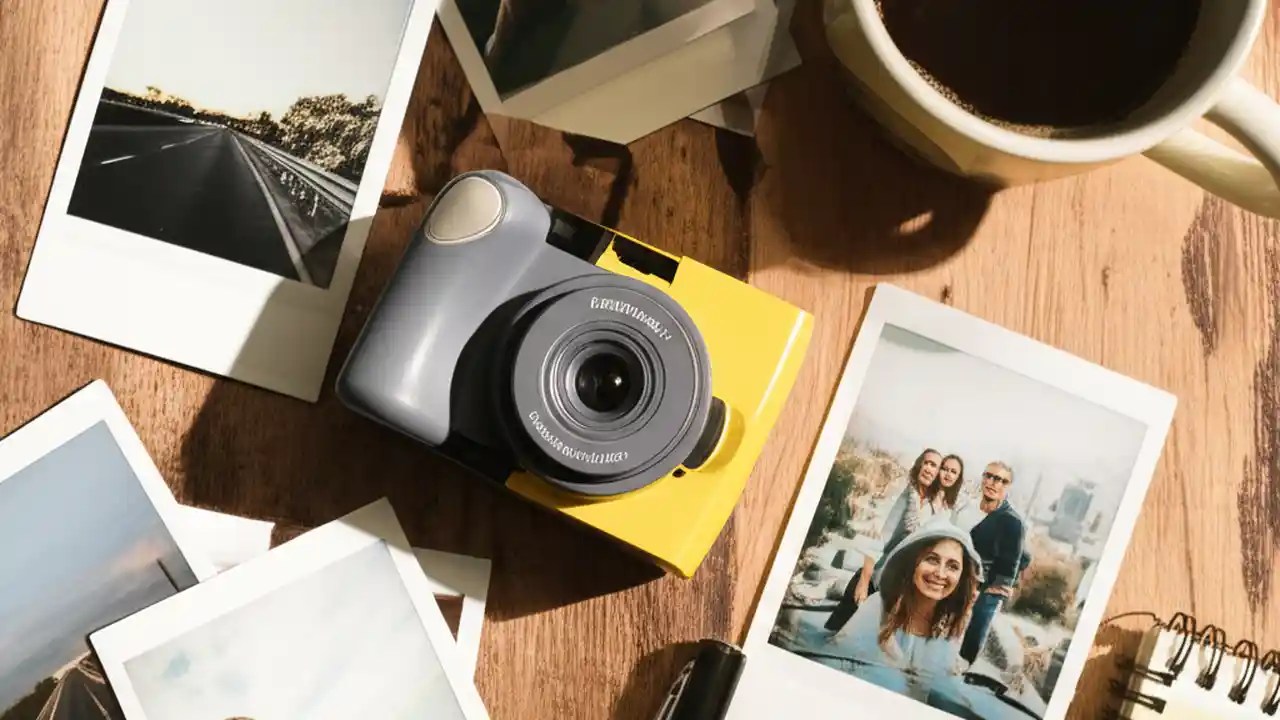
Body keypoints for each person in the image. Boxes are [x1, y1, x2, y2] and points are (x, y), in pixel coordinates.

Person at [823, 524, 983, 705]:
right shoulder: (878, 606)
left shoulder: (956, 620)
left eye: (952, 566)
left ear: (962, 576)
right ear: (913, 563)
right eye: (932, 559)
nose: (940, 573)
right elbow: (835, 673)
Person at [825, 448, 942, 631]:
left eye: (934, 465)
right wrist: (864, 583)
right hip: (873, 577)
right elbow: (878, 542)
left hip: (896, 585)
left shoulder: (929, 506)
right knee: (836, 634)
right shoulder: (901, 495)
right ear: (919, 465)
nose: (928, 468)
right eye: (926, 463)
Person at [959, 461, 1027, 665]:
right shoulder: (968, 509)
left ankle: (963, 665)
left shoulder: (1012, 521)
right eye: (988, 476)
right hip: (958, 578)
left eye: (1000, 480)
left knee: (974, 631)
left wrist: (991, 590)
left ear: (1007, 486)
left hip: (986, 589)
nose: (992, 482)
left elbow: (1011, 562)